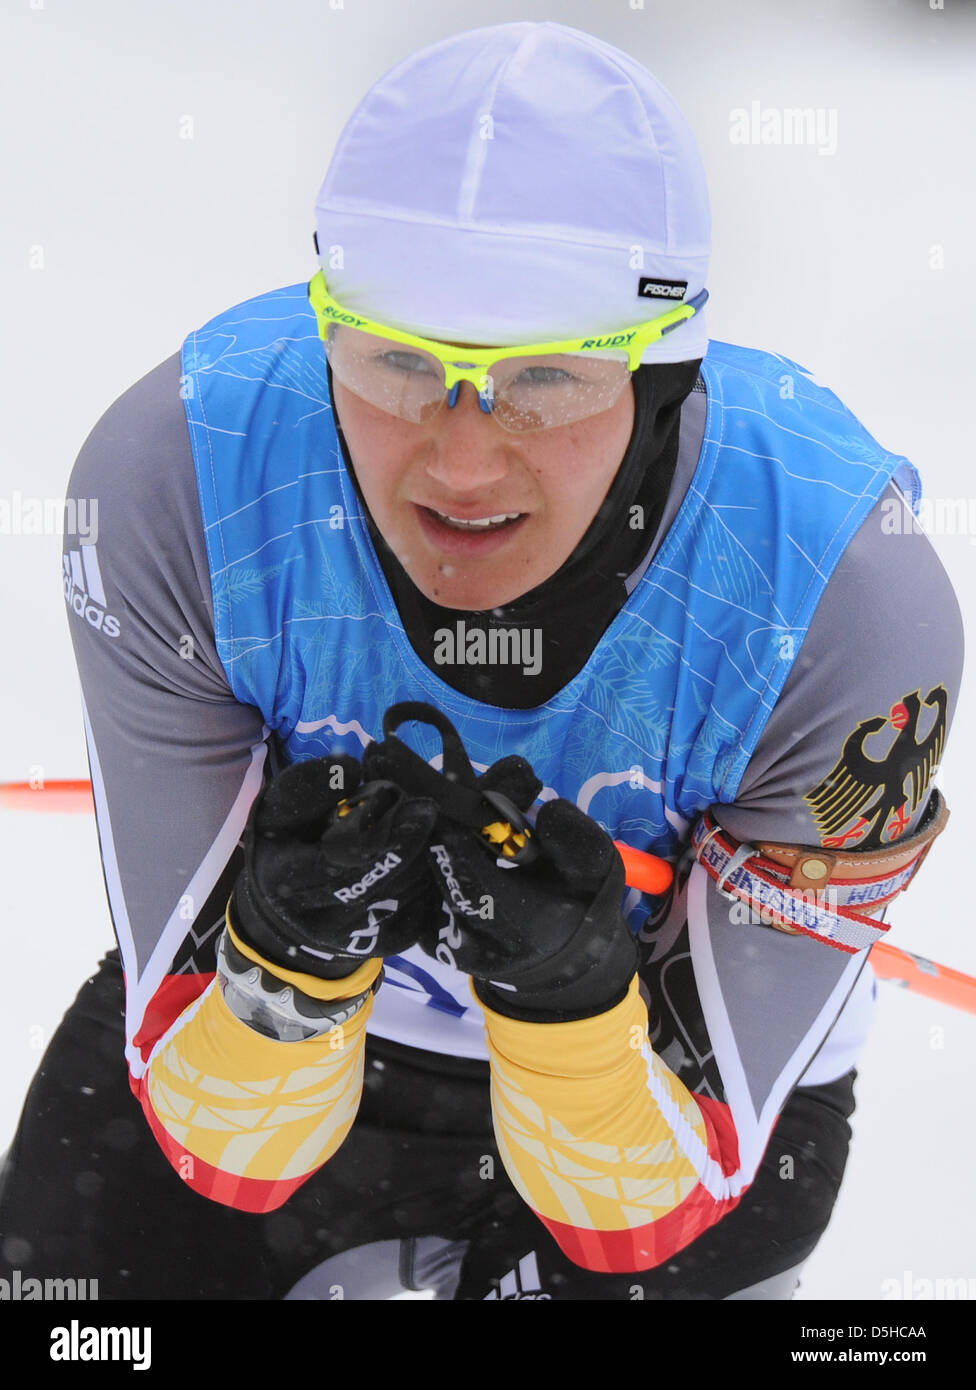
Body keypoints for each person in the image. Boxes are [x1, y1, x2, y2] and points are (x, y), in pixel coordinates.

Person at [0, 20, 962, 1302]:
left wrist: (568, 1006)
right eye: (397, 363)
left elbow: (646, 1209)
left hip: (672, 1127)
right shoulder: (180, 478)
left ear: (660, 378)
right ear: (322, 329)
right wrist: (293, 965)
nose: (459, 462)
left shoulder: (842, 592)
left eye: (548, 382)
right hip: (288, 1053)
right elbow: (221, 1145)